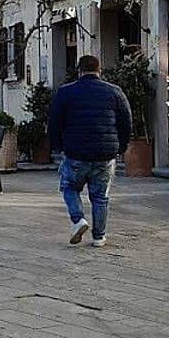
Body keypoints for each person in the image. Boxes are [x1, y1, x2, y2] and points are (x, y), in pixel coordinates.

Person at [47, 55, 131, 248]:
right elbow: (126, 122)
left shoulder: (66, 92)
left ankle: (78, 220)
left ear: (79, 71)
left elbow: (54, 122)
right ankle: (99, 237)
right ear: (99, 70)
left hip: (76, 152)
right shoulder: (115, 92)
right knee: (100, 197)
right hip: (105, 154)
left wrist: (58, 146)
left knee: (69, 187)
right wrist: (121, 147)